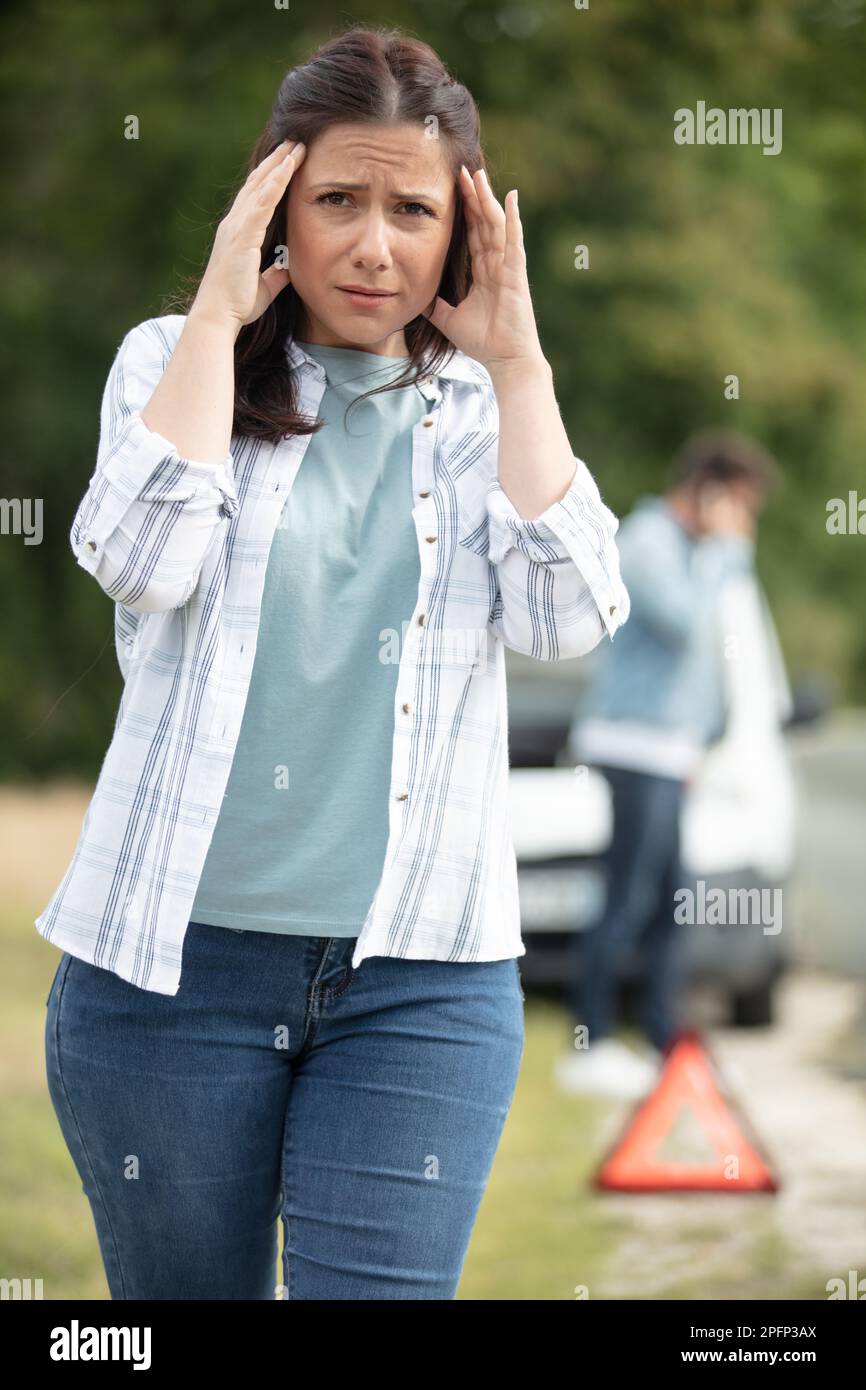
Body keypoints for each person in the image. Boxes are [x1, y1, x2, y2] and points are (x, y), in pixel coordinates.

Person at [38, 24, 630, 1299]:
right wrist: (214, 307)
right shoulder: (168, 359)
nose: (374, 244)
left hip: (421, 979)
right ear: (276, 209)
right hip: (173, 973)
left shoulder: (484, 413)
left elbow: (568, 614)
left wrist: (519, 363)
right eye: (337, 201)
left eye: (413, 209)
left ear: (460, 235)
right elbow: (142, 560)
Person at [556, 429, 779, 1099]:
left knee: (668, 907)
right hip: (631, 747)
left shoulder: (690, 551)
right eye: (737, 505)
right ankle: (589, 1042)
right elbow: (682, 623)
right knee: (626, 896)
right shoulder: (649, 539)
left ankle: (661, 1042)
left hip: (670, 753)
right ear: (710, 492)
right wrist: (727, 553)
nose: (742, 524)